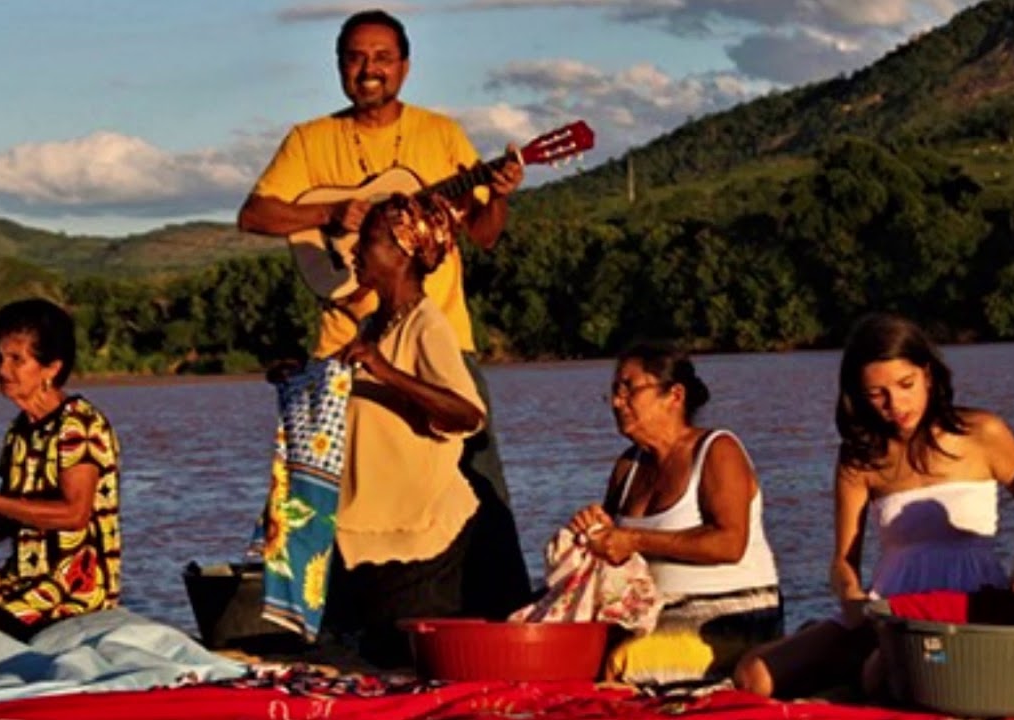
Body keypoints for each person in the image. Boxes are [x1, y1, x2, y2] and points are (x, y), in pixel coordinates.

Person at [238, 7, 530, 620]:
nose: (369, 69)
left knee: (477, 477)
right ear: (341, 65)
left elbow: (484, 235)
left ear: (404, 66)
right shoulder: (309, 140)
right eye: (356, 57)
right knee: (321, 489)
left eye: (382, 57)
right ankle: (310, 617)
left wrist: (497, 194)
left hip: (437, 330)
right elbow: (256, 214)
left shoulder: (441, 134)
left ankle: (503, 616)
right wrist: (328, 213)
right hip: (344, 342)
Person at [735, 313, 1014, 698]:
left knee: (884, 678)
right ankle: (835, 655)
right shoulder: (860, 457)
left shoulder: (982, 433)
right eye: (877, 394)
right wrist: (855, 605)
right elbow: (843, 562)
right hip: (889, 612)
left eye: (905, 385)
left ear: (927, 374)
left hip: (971, 609)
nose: (895, 404)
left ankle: (852, 676)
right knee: (752, 675)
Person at [323, 193, 519, 667]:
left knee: (407, 673)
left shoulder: (426, 326)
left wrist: (385, 371)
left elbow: (467, 414)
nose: (354, 252)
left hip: (420, 542)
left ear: (402, 251)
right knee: (364, 670)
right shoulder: (373, 325)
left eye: (367, 241)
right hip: (367, 534)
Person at [567, 342, 781, 686]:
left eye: (629, 389)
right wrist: (597, 532)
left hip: (731, 616)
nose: (617, 402)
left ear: (674, 395)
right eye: (614, 391)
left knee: (623, 662)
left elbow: (729, 543)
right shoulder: (628, 466)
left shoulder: (717, 450)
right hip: (650, 615)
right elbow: (616, 551)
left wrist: (634, 538)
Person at [0, 298, 122, 642]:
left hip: (72, 587)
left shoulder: (79, 425)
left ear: (50, 368)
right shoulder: (20, 430)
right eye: (0, 358)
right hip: (25, 576)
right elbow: (13, 511)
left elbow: (74, 514)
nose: (3, 371)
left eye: (16, 360)